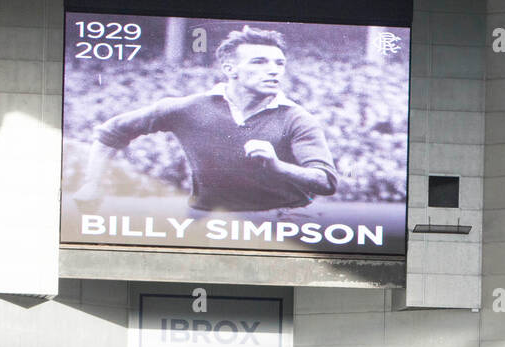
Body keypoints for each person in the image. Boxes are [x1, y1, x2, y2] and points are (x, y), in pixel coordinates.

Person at [75, 26, 337, 218]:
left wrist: (277, 167)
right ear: (230, 69)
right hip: (207, 218)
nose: (274, 69)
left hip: (283, 217)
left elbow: (325, 181)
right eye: (259, 61)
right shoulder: (188, 107)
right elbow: (109, 133)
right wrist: (91, 183)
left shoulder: (297, 118)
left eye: (279, 63)